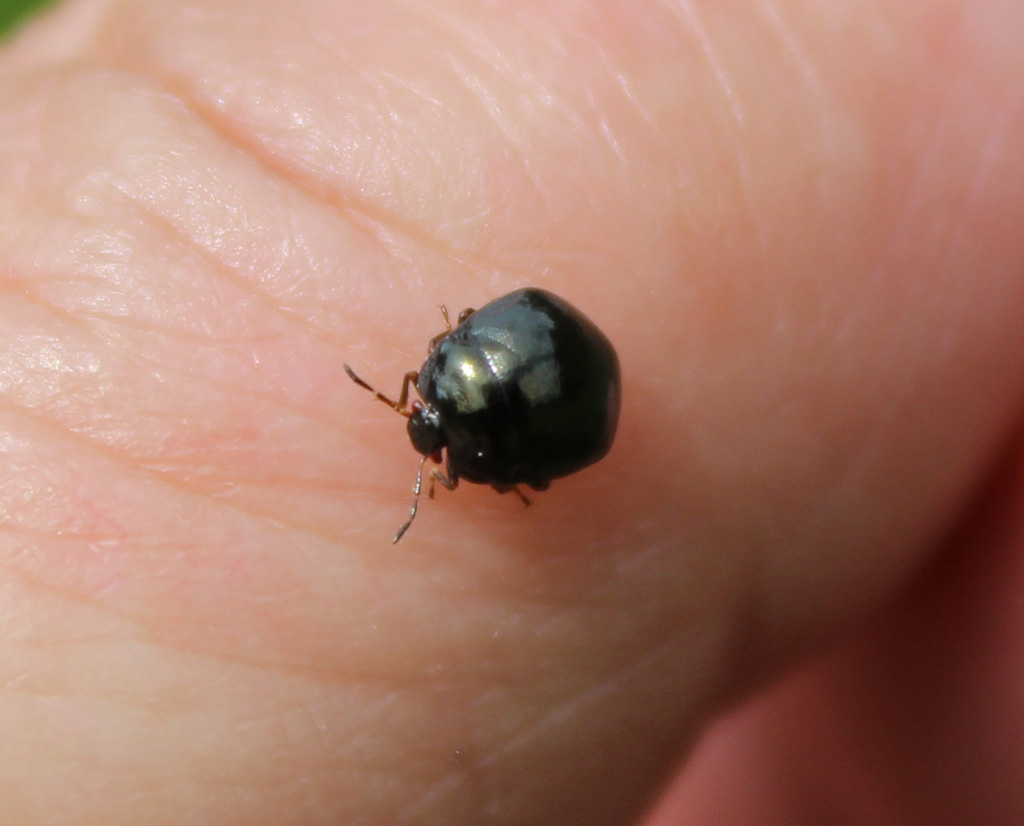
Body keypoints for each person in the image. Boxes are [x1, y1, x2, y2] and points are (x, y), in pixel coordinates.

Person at [0, 1, 1022, 823]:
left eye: (424, 411)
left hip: (553, 372)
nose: (422, 414)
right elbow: (490, 373)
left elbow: (498, 418)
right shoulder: (461, 380)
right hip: (543, 363)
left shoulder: (472, 416)